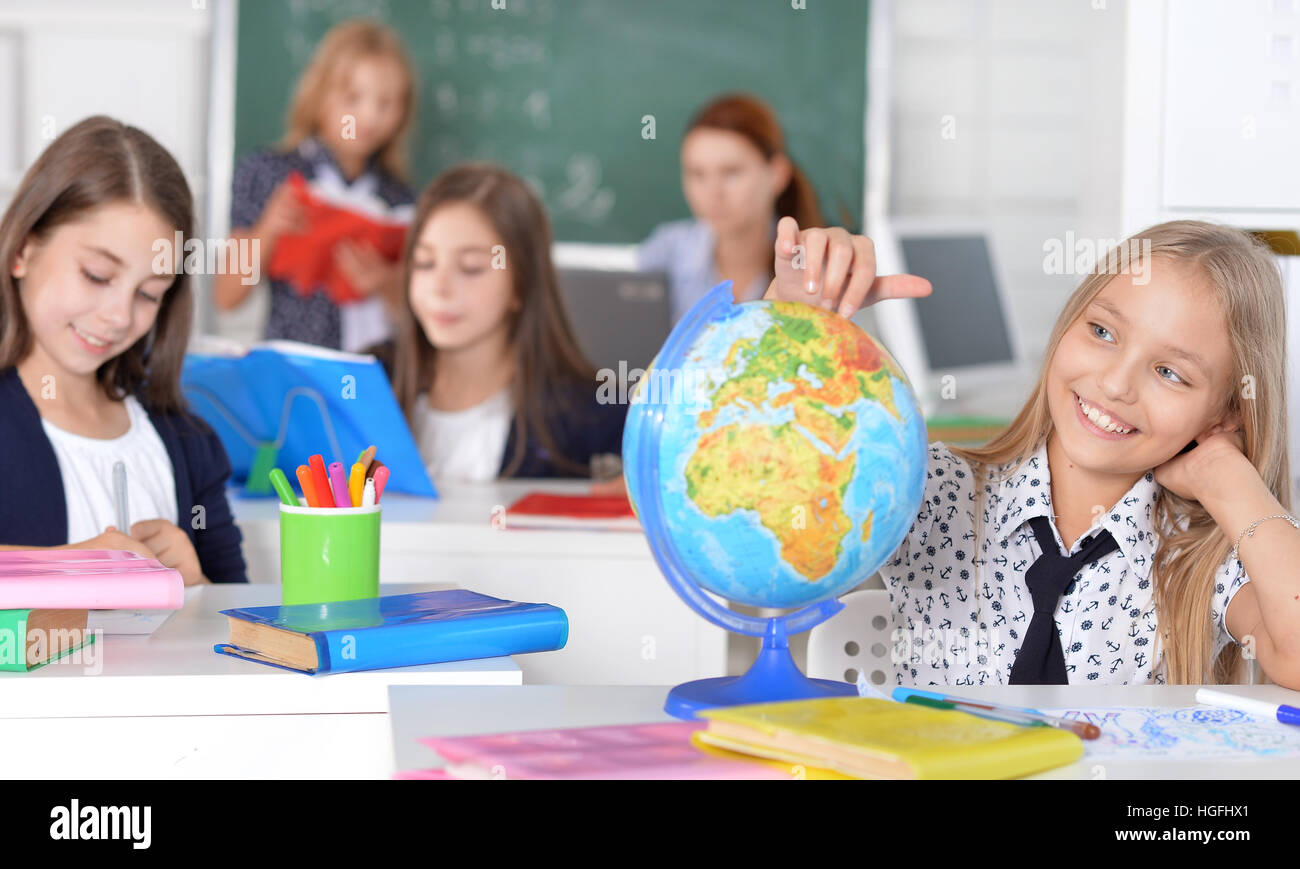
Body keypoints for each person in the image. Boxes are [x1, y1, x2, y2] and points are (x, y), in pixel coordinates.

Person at [880, 221, 1300, 688]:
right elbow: (785, 516)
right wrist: (798, 325)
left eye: (1170, 372)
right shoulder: (931, 490)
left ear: (1225, 415)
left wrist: (1230, 481)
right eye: (1102, 331)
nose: (1115, 384)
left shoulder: (1203, 557)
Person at [0, 116, 247, 585]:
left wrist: (197, 590)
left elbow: (244, 635)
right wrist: (65, 567)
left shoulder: (188, 444)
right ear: (23, 251)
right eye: (97, 274)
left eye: (149, 294)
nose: (118, 315)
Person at [375, 163, 626, 481]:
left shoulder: (590, 417)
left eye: (471, 268)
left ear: (521, 284)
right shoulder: (371, 379)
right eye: (425, 263)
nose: (439, 288)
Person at [214, 18, 417, 352]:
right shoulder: (269, 173)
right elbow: (227, 296)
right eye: (353, 98)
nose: (369, 117)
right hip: (293, 374)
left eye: (386, 104)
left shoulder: (399, 198)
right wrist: (268, 230)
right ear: (321, 94)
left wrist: (385, 283)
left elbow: (416, 316)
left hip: (373, 374)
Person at [638, 93, 825, 322]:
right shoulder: (665, 253)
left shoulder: (814, 264)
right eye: (697, 174)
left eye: (731, 172)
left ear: (777, 174)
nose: (713, 192)